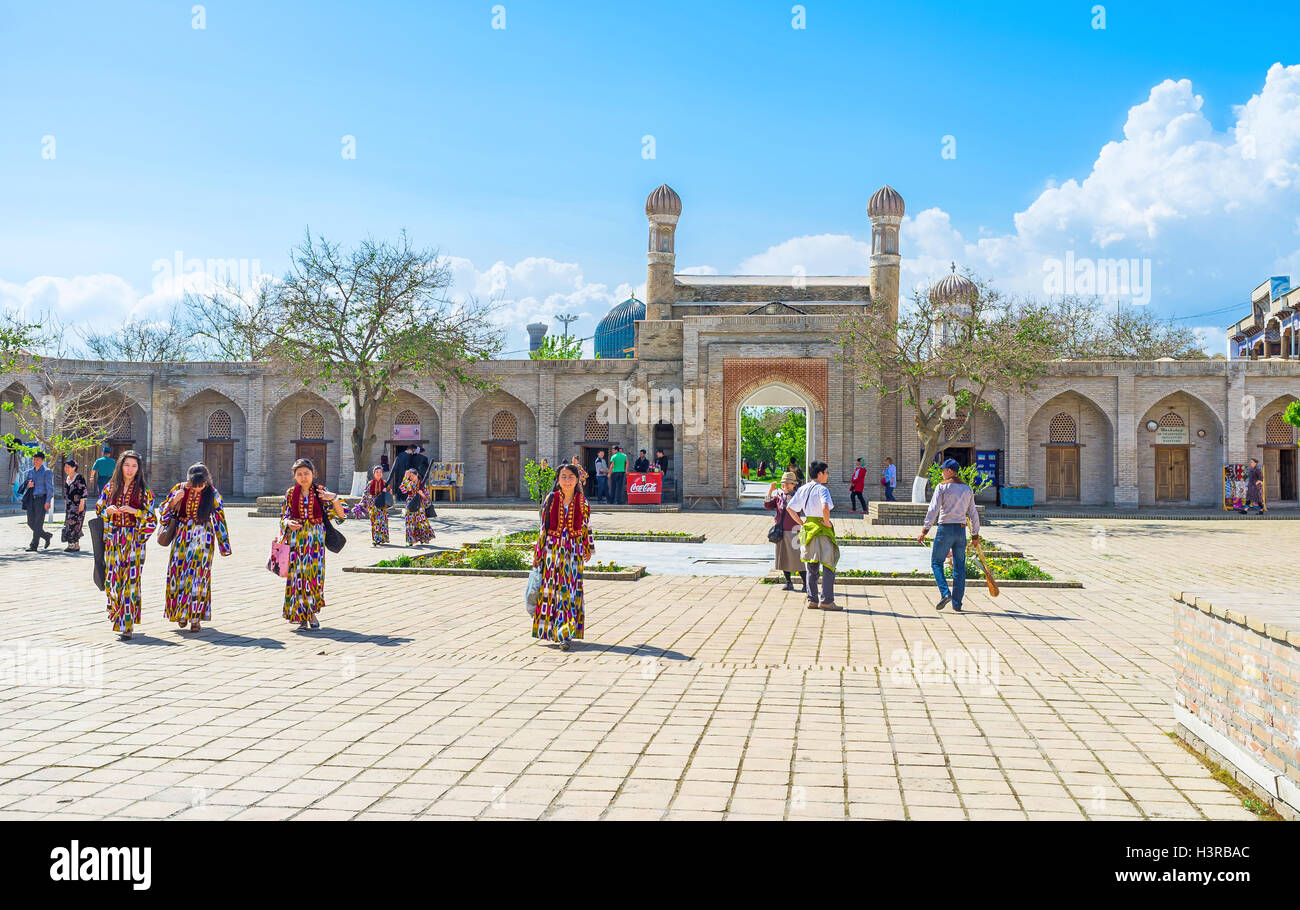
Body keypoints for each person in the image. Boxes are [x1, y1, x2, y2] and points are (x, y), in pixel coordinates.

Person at [160, 463, 231, 632]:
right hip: (182, 535)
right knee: (179, 574)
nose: (198, 489)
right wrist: (174, 500)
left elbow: (220, 518)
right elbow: (163, 514)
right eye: (195, 485)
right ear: (188, 480)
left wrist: (224, 545)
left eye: (202, 485)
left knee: (198, 577)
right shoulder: (179, 489)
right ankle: (180, 613)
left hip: (204, 537)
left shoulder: (213, 494)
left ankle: (195, 618)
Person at [95, 450, 158, 639]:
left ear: (139, 469)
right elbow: (99, 508)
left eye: (134, 466)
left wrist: (134, 511)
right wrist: (108, 510)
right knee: (112, 581)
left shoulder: (144, 491)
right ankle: (116, 612)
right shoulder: (110, 487)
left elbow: (152, 518)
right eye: (126, 465)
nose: (130, 469)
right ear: (120, 466)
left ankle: (126, 624)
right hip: (113, 539)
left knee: (130, 582)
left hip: (134, 541)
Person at [531, 463, 592, 652]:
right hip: (552, 551)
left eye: (570, 477)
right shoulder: (551, 499)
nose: (567, 480)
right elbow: (543, 528)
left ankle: (565, 633)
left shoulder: (583, 502)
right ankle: (554, 631)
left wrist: (588, 548)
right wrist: (538, 553)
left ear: (578, 480)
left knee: (569, 591)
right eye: (563, 476)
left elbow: (586, 527)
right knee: (551, 591)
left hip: (573, 552)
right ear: (558, 480)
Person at [280, 457, 345, 631]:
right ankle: (302, 617)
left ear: (313, 474)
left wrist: (334, 498)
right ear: (294, 476)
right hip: (297, 541)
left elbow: (341, 516)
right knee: (297, 578)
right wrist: (287, 523)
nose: (303, 477)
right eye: (299, 474)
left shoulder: (321, 493)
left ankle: (311, 613)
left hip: (316, 541)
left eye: (306, 473)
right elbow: (284, 516)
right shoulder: (290, 493)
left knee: (314, 577)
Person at [917, 458, 981, 612]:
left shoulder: (942, 487)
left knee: (936, 562)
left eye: (943, 470)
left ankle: (945, 593)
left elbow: (933, 510)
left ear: (950, 471)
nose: (942, 472)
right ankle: (957, 604)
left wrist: (924, 530)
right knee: (959, 567)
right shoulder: (967, 489)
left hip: (945, 529)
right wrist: (975, 535)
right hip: (960, 531)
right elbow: (973, 513)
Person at [787, 461, 839, 610]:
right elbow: (825, 507)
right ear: (820, 474)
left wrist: (801, 522)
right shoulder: (822, 489)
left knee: (811, 566)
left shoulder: (803, 489)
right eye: (827, 472)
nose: (827, 475)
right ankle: (827, 600)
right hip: (822, 529)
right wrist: (827, 522)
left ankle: (812, 599)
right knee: (829, 564)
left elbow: (790, 508)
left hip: (808, 528)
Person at [764, 471, 806, 592]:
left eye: (788, 483)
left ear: (794, 485)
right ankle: (788, 582)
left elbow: (798, 510)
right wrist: (770, 490)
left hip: (794, 530)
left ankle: (805, 583)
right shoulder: (778, 497)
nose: (785, 485)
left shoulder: (797, 497)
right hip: (780, 531)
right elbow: (767, 505)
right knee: (783, 556)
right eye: (783, 483)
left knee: (797, 557)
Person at [20, 450, 55, 551]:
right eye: (34, 459)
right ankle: (46, 536)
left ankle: (34, 545)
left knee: (38, 523)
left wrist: (48, 501)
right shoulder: (30, 471)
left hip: (41, 499)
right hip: (31, 499)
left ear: (42, 460)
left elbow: (50, 488)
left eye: (37, 459)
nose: (35, 461)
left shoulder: (47, 472)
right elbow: (26, 483)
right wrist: (28, 485)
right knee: (30, 522)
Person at [400, 468, 436, 546]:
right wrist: (405, 478)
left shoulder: (422, 484)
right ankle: (410, 540)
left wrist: (421, 494)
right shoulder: (409, 483)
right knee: (409, 521)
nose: (411, 477)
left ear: (417, 475)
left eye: (412, 475)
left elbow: (427, 497)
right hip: (410, 503)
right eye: (410, 476)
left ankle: (423, 538)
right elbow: (403, 490)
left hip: (420, 504)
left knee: (421, 522)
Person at [61, 458, 88, 551]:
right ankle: (76, 545)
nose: (66, 468)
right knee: (70, 523)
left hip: (79, 505)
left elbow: (84, 491)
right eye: (65, 467)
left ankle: (71, 545)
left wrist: (82, 503)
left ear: (74, 468)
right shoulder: (67, 478)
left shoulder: (79, 477)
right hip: (69, 506)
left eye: (68, 467)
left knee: (76, 524)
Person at [363, 465, 390, 545]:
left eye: (380, 472)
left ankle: (379, 539)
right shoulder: (370, 483)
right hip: (372, 505)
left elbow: (390, 494)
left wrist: (386, 491)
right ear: (374, 473)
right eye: (377, 472)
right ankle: (375, 538)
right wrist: (362, 503)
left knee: (381, 521)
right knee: (374, 522)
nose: (379, 474)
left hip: (382, 505)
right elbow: (365, 494)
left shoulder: (385, 483)